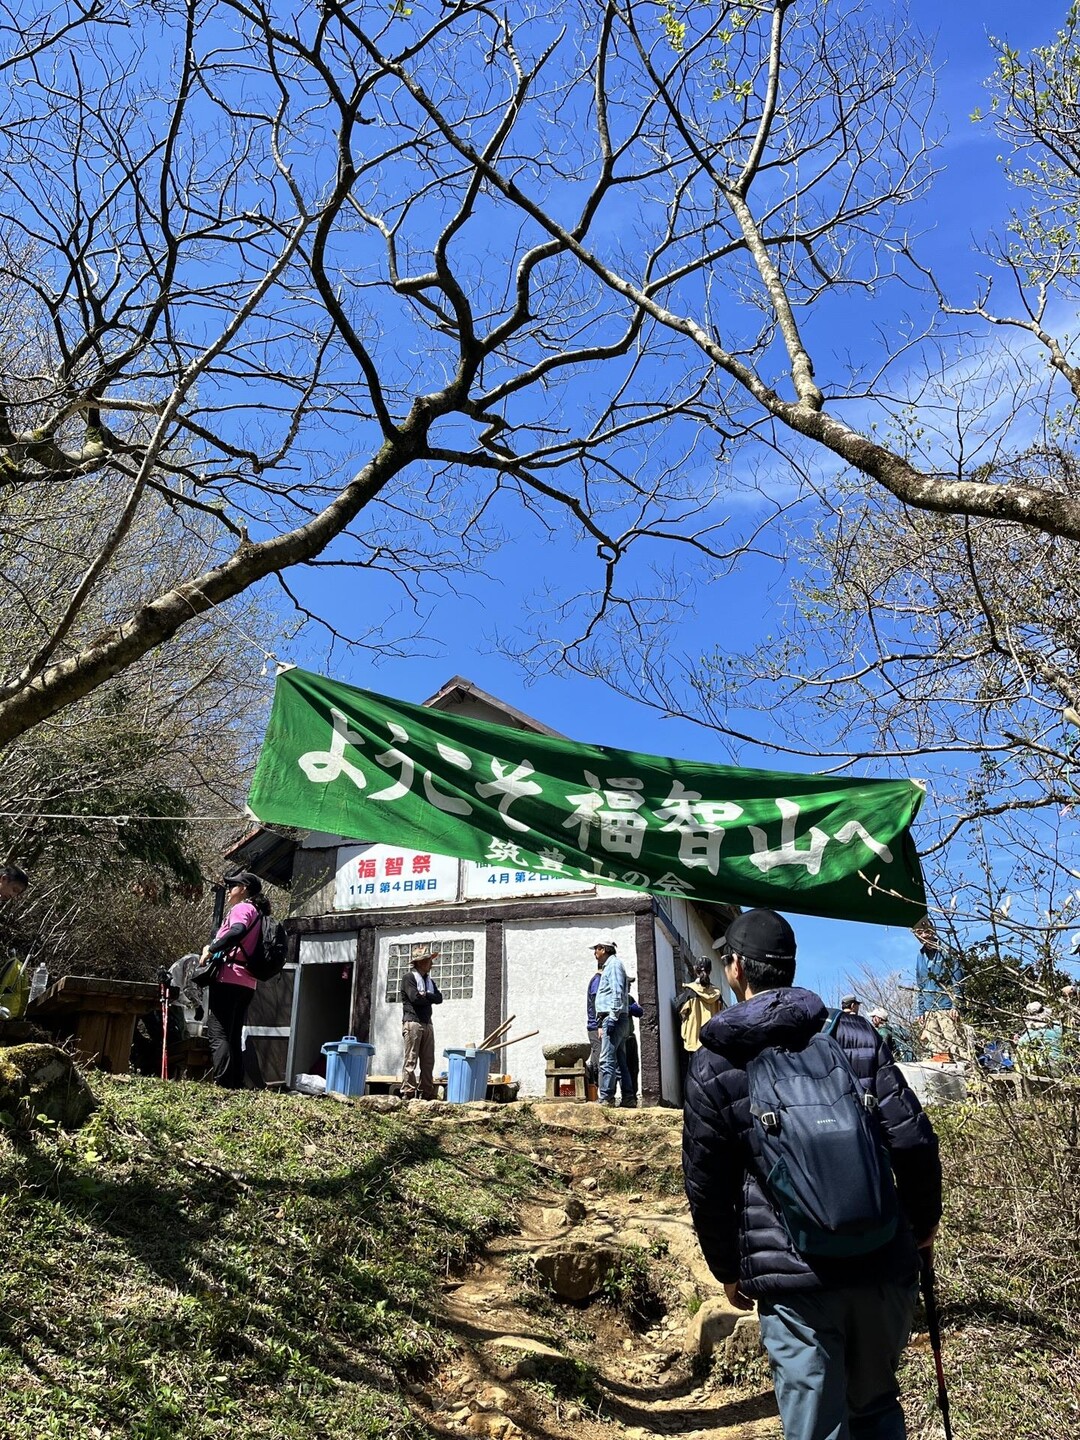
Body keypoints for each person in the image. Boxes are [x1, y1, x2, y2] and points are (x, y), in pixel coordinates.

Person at [683, 908, 943, 1440]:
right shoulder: (853, 1036)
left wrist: (727, 1268)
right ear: (792, 966)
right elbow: (912, 1139)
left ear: (735, 969)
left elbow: (709, 1184)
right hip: (882, 1262)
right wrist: (921, 1227)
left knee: (817, 1429)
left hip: (795, 1281)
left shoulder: (717, 1062)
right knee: (876, 1410)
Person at [199, 871, 266, 1088]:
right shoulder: (258, 913)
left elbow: (237, 931)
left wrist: (211, 949)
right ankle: (236, 1082)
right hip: (248, 982)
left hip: (229, 978)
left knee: (218, 1032)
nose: (229, 890)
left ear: (244, 888)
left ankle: (224, 1083)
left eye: (233, 885)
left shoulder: (242, 908)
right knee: (234, 1033)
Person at [400, 942, 443, 1100]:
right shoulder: (409, 978)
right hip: (413, 1022)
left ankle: (426, 1091)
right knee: (411, 1058)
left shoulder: (429, 982)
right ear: (420, 962)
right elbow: (415, 998)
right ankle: (408, 1091)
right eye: (428, 960)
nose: (431, 963)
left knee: (428, 1060)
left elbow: (439, 998)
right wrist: (425, 997)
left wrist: (427, 996)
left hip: (427, 1022)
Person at [594, 936, 633, 1108]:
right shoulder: (610, 966)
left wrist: (613, 1016)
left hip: (614, 1019)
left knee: (606, 1059)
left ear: (603, 949)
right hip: (614, 1018)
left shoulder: (614, 965)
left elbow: (617, 992)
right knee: (620, 1059)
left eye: (596, 949)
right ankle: (628, 1097)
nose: (595, 953)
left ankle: (606, 1098)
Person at [674, 957, 724, 1079]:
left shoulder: (689, 993)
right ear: (710, 971)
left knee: (694, 1077)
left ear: (695, 969)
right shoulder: (717, 994)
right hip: (711, 1042)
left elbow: (680, 1012)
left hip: (694, 1042)